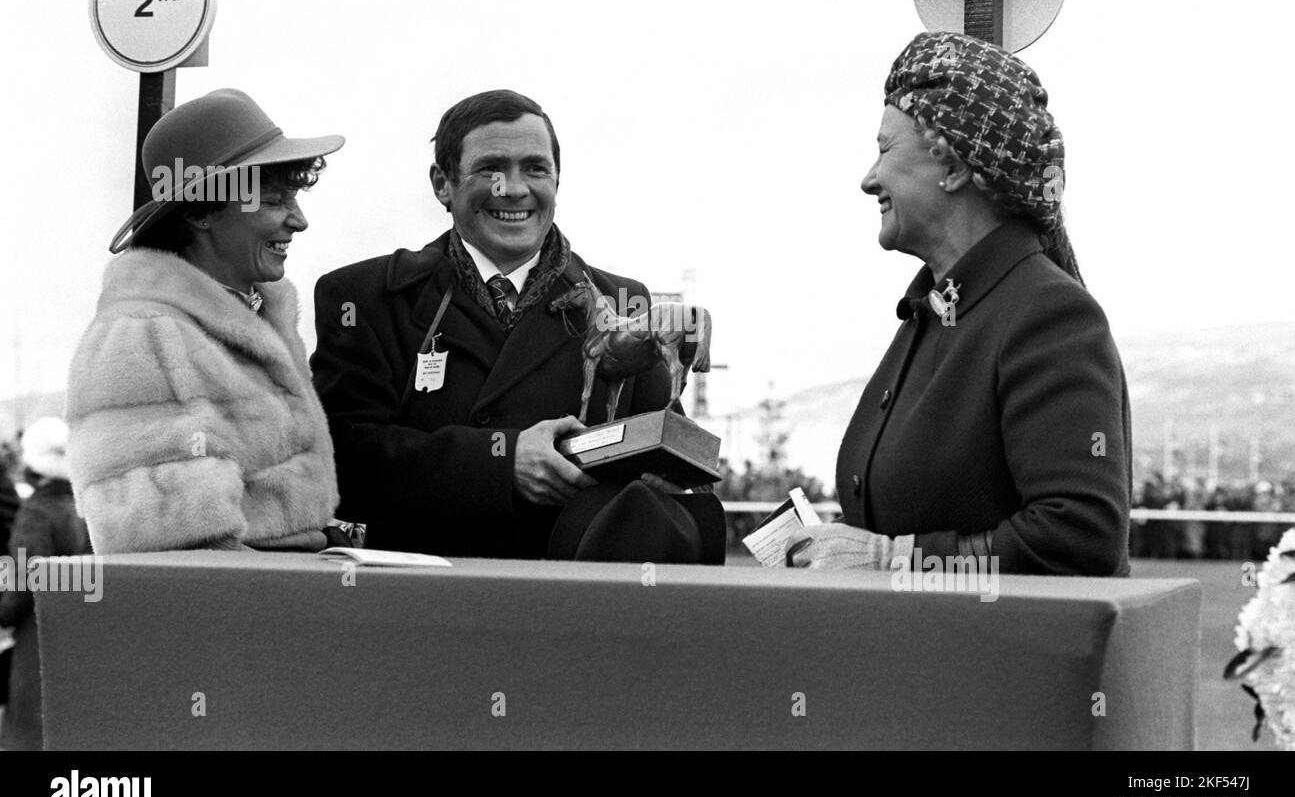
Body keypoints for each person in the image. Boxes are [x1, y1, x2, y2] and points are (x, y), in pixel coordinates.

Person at [311, 89, 723, 560]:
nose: (514, 188)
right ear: (442, 184)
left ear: (557, 179)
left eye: (535, 168)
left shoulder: (624, 301)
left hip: (571, 606)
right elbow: (342, 461)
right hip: (420, 606)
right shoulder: (366, 297)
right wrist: (502, 461)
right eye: (491, 168)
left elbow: (663, 448)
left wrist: (671, 470)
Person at [788, 32, 1130, 576]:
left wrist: (893, 558)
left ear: (953, 166)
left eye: (884, 149)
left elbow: (1080, 533)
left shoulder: (1049, 315)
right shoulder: (938, 307)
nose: (868, 178)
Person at [66, 89, 346, 552]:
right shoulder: (142, 336)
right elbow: (173, 552)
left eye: (293, 198)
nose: (299, 220)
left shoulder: (259, 317)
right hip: (247, 614)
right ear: (201, 210)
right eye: (275, 201)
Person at [0, 418, 91, 750]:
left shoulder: (37, 513)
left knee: (31, 732)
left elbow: (25, 582)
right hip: (81, 634)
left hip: (37, 637)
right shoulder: (88, 509)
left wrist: (4, 613)